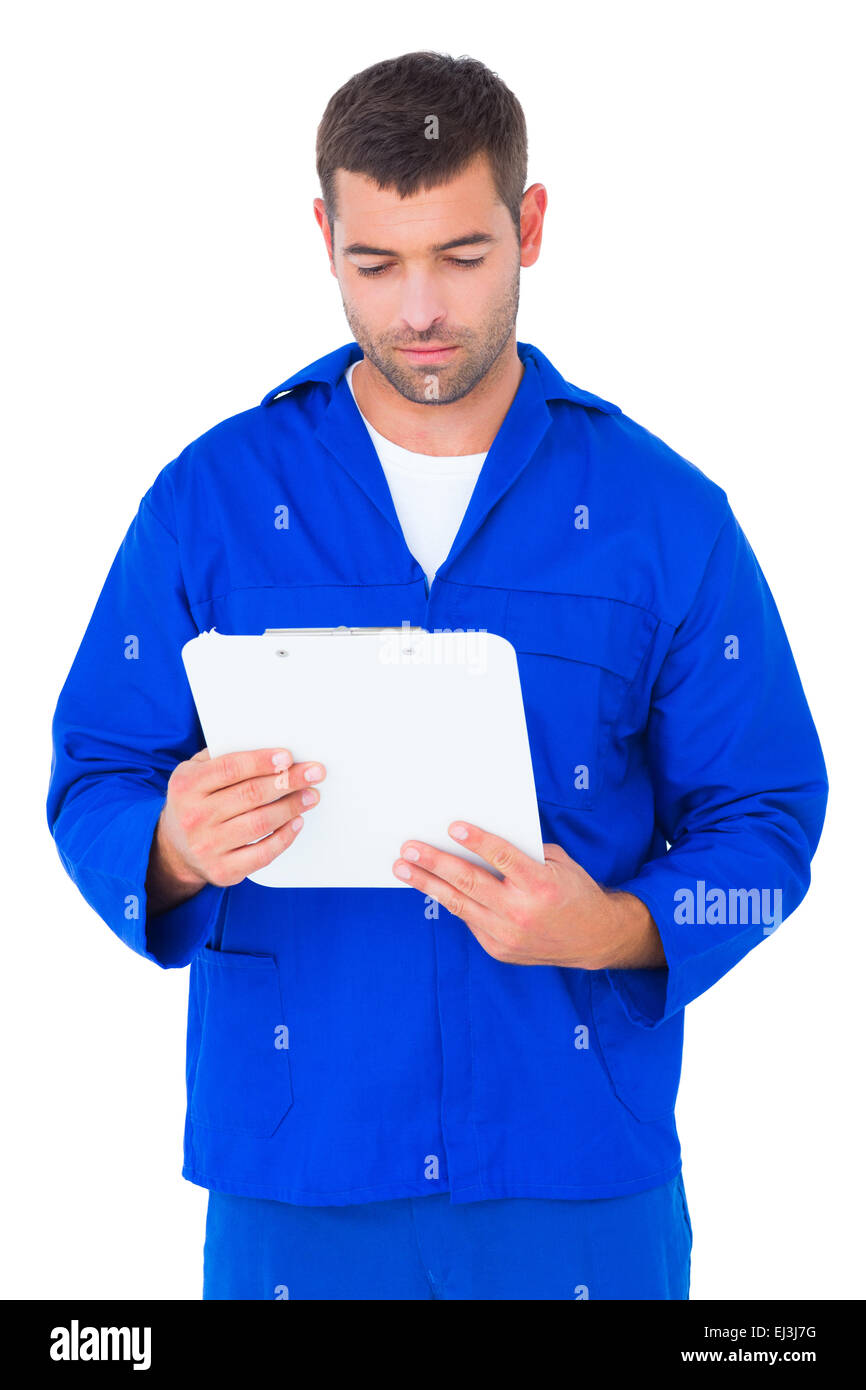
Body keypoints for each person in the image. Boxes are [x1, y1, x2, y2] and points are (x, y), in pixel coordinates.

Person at [46, 50, 828, 1301]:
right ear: (323, 236)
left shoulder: (662, 515)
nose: (419, 308)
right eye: (375, 263)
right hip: (299, 1171)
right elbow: (94, 773)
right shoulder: (212, 499)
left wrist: (622, 928)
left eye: (461, 258)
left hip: (574, 1173)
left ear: (527, 226)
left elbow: (768, 830)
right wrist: (172, 846)